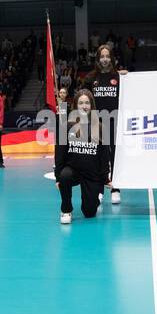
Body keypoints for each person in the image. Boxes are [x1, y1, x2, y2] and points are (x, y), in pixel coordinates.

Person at [55, 89, 110, 224]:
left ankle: (94, 198)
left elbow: (104, 156)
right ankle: (66, 209)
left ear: (91, 105)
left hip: (92, 173)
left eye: (87, 103)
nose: (84, 106)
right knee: (65, 176)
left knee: (89, 212)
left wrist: (104, 178)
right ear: (76, 105)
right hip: (73, 170)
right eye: (81, 103)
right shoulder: (66, 127)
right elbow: (60, 154)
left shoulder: (101, 127)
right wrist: (58, 177)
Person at [87, 44, 127, 203]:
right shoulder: (91, 78)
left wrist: (126, 77)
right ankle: (99, 188)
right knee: (97, 156)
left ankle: (115, 187)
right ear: (98, 59)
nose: (104, 59)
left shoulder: (118, 77)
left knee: (114, 154)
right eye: (102, 56)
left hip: (115, 121)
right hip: (96, 122)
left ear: (112, 58)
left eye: (107, 56)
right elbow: (84, 99)